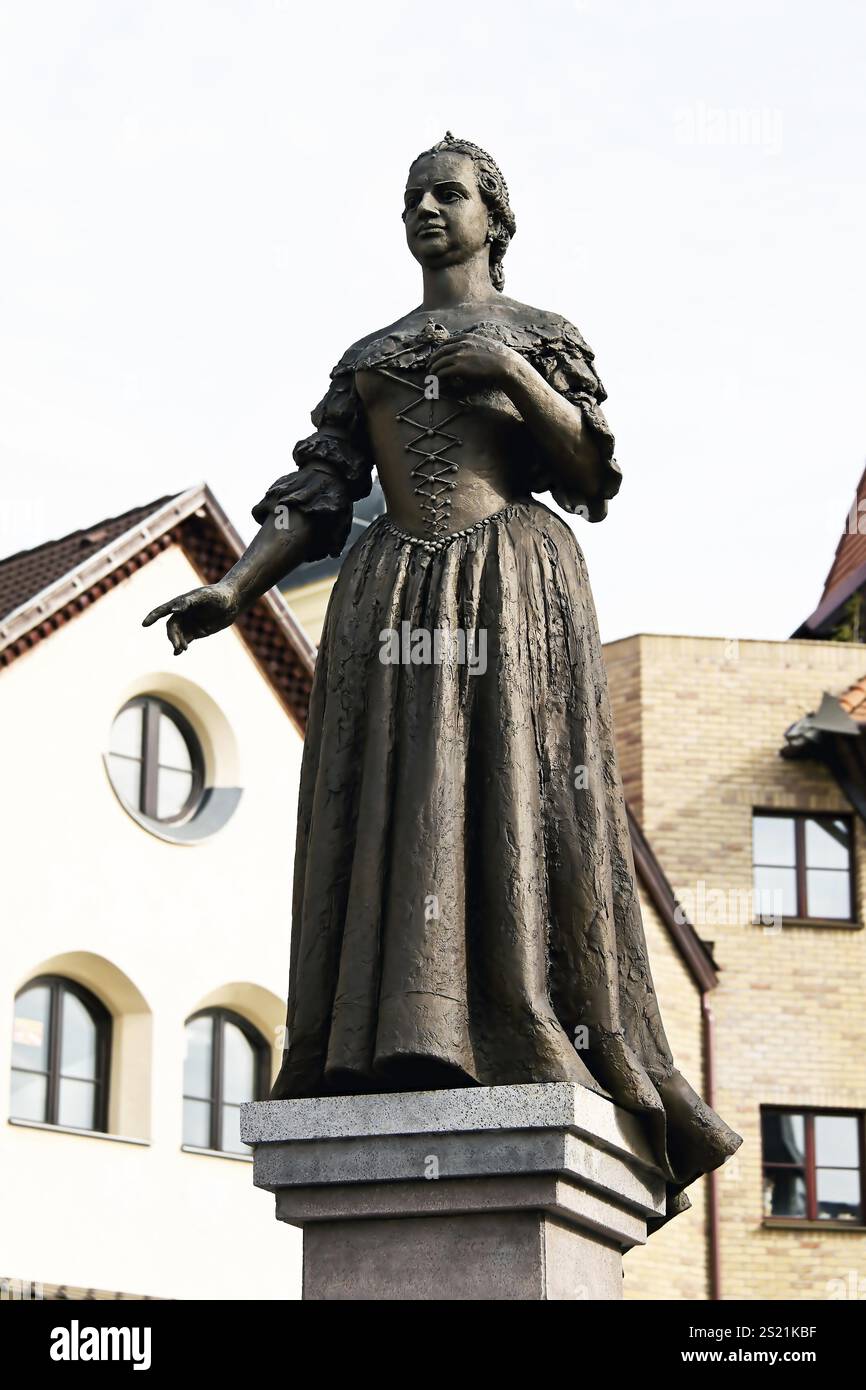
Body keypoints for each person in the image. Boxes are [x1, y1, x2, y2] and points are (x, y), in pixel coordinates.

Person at [144, 134, 741, 1226]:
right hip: (389, 594)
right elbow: (317, 491)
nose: (426, 206)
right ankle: (393, 1035)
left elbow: (592, 471)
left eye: (448, 192)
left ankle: (518, 1023)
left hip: (507, 579)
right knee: (392, 807)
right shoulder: (368, 354)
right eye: (411, 194)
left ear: (492, 219)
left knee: (508, 794)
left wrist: (509, 374)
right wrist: (235, 590)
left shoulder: (541, 335)